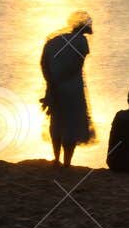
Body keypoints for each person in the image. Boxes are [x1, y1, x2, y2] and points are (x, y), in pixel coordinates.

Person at [40, 10, 95, 166]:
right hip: (72, 88)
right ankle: (67, 163)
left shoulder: (54, 41)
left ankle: (56, 159)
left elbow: (44, 63)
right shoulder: (81, 42)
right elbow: (76, 66)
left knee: (56, 121)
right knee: (71, 123)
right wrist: (61, 81)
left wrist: (51, 83)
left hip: (53, 86)